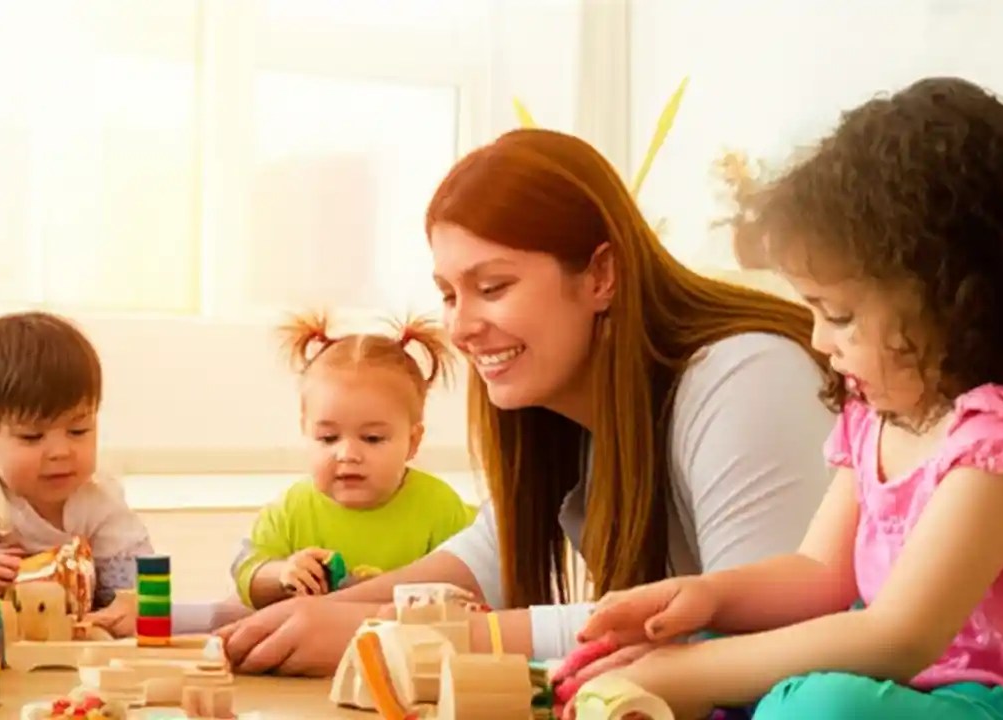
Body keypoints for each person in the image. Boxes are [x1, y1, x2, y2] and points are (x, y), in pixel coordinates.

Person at [216, 128, 837, 676]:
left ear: (600, 276)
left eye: (493, 286)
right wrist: (282, 621)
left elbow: (754, 631)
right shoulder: (579, 418)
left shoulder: (747, 376)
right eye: (450, 294)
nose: (460, 329)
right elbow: (477, 561)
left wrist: (401, 632)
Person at [568, 77, 1003, 719]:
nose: (818, 339)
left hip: (975, 701)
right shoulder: (873, 420)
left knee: (821, 704)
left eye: (841, 315)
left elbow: (898, 637)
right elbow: (819, 573)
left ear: (952, 300)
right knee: (728, 656)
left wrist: (695, 672)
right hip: (882, 680)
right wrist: (707, 597)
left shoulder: (989, 443)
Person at [0, 311, 153, 638]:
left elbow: (133, 568)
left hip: (62, 618)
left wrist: (129, 605)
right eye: (32, 437)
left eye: (79, 430)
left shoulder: (97, 493)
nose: (61, 452)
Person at [231, 312, 474, 609]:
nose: (347, 454)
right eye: (328, 438)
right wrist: (283, 573)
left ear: (412, 442)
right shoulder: (293, 508)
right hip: (311, 650)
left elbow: (479, 576)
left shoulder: (440, 507)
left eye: (372, 439)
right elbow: (246, 571)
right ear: (306, 432)